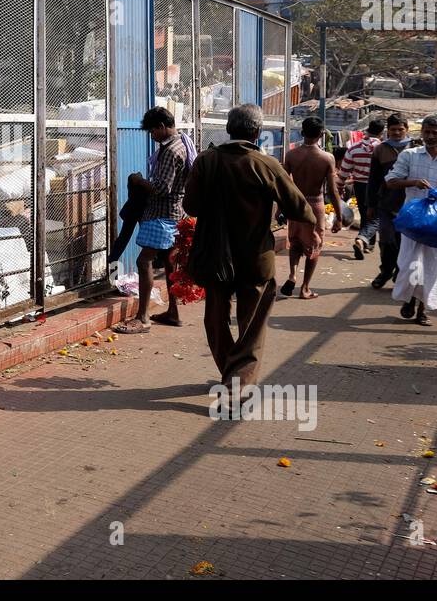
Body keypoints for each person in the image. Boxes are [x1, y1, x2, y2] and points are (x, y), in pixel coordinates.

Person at [182, 104, 315, 391]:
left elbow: (190, 206)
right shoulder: (266, 165)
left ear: (229, 129)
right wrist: (310, 229)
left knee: (215, 319)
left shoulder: (206, 161)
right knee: (252, 324)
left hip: (214, 256)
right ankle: (238, 382)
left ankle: (230, 372)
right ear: (257, 132)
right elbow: (298, 207)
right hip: (255, 257)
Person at [113, 106, 197, 333]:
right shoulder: (183, 143)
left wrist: (138, 181)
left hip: (162, 214)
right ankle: (173, 312)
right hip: (176, 213)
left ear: (161, 126)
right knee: (169, 263)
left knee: (143, 261)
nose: (152, 135)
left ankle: (143, 318)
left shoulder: (170, 151)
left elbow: (161, 188)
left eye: (152, 131)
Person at [386, 115, 437, 326]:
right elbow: (391, 181)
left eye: (435, 133)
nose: (430, 137)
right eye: (427, 132)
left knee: (432, 265)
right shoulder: (409, 156)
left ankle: (422, 309)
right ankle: (410, 299)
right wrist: (413, 183)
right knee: (409, 264)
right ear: (421, 133)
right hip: (412, 220)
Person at [282, 117, 344, 299]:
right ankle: (305, 288)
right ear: (321, 134)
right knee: (314, 245)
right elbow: (332, 190)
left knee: (295, 241)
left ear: (302, 133)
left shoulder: (291, 155)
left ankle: (292, 275)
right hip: (315, 204)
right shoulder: (327, 158)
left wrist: (280, 208)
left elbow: (284, 184)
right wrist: (339, 217)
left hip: (296, 203)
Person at [367, 114, 414, 290]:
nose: (397, 133)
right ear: (388, 130)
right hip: (386, 203)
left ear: (406, 130)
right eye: (393, 129)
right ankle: (386, 271)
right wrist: (370, 204)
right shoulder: (380, 150)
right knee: (387, 240)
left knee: (404, 242)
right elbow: (373, 179)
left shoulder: (415, 148)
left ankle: (400, 273)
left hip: (410, 204)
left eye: (400, 129)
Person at [342, 118, 384, 260]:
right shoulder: (383, 148)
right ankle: (362, 240)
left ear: (367, 131)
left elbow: (344, 170)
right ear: (381, 132)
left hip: (359, 185)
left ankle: (368, 244)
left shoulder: (354, 148)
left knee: (365, 214)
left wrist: (340, 185)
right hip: (378, 186)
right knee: (377, 217)